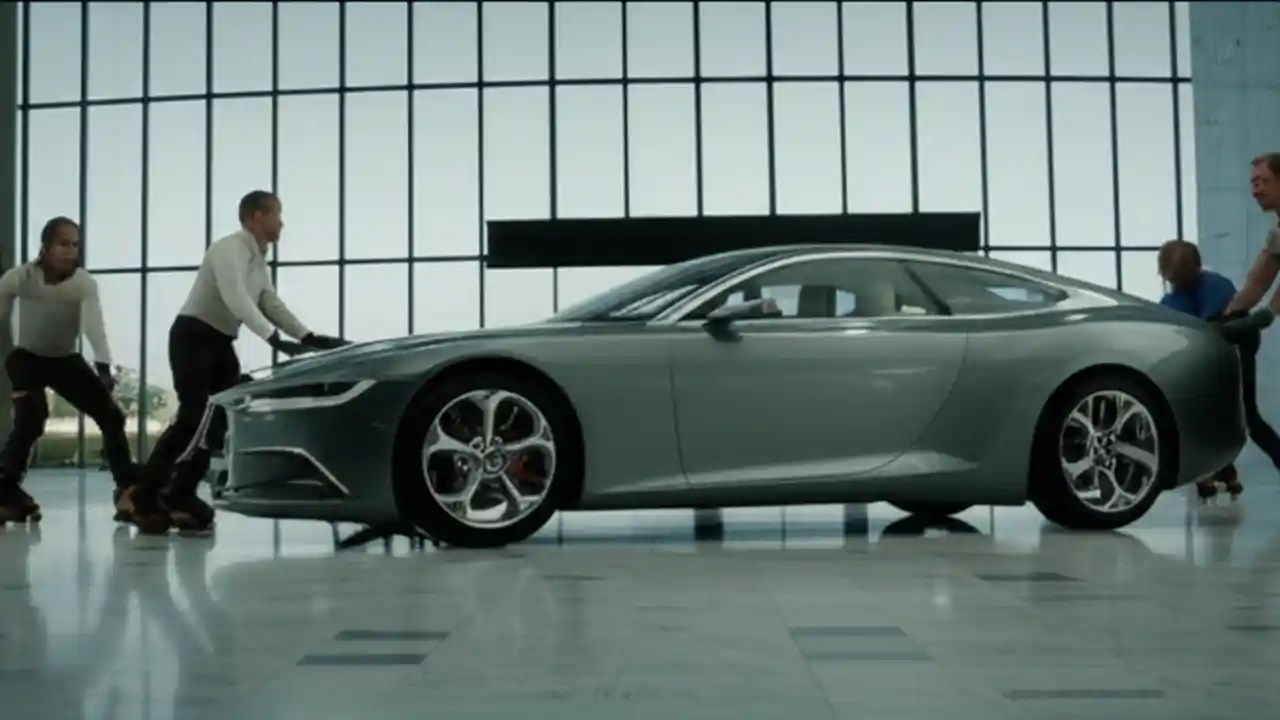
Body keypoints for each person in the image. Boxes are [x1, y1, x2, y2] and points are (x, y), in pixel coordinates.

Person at [122, 191, 346, 535]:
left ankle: (181, 495)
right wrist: (272, 339)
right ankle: (142, 495)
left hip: (220, 343)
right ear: (258, 216)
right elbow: (235, 297)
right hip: (193, 337)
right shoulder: (228, 249)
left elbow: (268, 301)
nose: (281, 222)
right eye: (277, 214)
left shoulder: (258, 258)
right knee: (193, 417)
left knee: (217, 421)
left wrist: (307, 337)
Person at [0, 217, 139, 523]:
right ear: (46, 247)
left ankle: (127, 490)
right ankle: (5, 489)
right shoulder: (20, 278)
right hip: (27, 357)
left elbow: (93, 326)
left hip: (64, 360)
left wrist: (104, 366)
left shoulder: (83, 283)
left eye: (75, 245)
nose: (70, 251)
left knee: (112, 416)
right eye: (63, 244)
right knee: (31, 419)